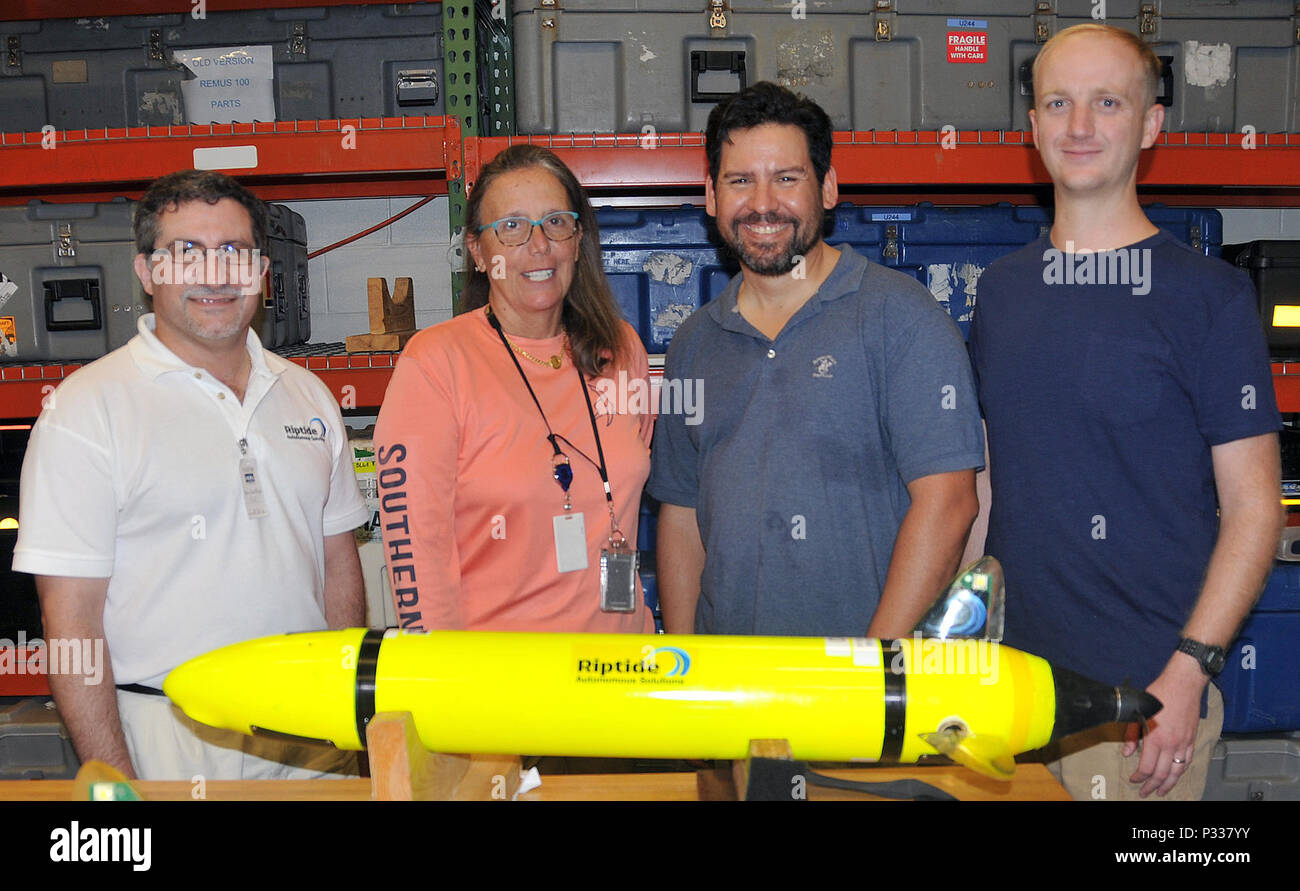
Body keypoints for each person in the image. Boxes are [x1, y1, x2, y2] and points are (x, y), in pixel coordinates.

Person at [967, 23, 1283, 800]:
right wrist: (963, 632)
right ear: (1031, 125)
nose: (1079, 127)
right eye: (1058, 103)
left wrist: (1187, 673)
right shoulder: (1001, 292)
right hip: (1012, 692)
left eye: (1108, 102)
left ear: (1150, 125)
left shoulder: (1208, 298)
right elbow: (988, 486)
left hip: (1138, 704)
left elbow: (1254, 509)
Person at [14, 170, 368, 781]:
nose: (214, 274)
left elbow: (339, 565)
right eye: (187, 253)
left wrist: (350, 725)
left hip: (312, 735)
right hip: (168, 743)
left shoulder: (308, 396)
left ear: (262, 272)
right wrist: (115, 782)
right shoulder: (86, 410)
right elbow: (69, 621)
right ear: (148, 273)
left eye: (234, 252)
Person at [647, 82, 984, 637]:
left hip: (861, 690)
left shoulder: (901, 318)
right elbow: (682, 519)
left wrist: (868, 676)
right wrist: (689, 674)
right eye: (739, 181)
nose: (762, 204)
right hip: (730, 694)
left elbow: (949, 506)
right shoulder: (694, 344)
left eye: (786, 178)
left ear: (826, 187)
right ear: (710, 195)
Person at [374, 144, 654, 633]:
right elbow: (417, 556)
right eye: (511, 227)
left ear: (578, 239)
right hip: (500, 686)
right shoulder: (436, 364)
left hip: (621, 673)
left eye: (555, 223)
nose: (538, 245)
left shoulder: (622, 348)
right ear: (478, 252)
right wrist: (439, 685)